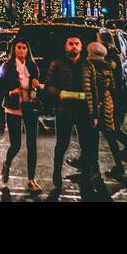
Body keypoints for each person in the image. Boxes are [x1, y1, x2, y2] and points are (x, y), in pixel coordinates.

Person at [42, 34, 97, 197]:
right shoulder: (57, 64)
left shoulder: (88, 65)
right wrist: (60, 94)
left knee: (87, 145)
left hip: (84, 111)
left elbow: (93, 91)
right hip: (65, 111)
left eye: (77, 44)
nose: (74, 47)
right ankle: (56, 174)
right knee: (62, 144)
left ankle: (86, 177)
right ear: (65, 47)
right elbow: (48, 86)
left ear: (81, 47)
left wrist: (95, 114)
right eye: (71, 44)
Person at [86, 40, 127, 189]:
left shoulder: (91, 67)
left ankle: (95, 166)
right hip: (108, 103)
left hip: (98, 104)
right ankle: (117, 164)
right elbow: (113, 86)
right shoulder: (108, 67)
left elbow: (95, 87)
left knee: (95, 136)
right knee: (110, 135)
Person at [0, 39, 42, 194]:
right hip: (13, 108)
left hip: (30, 108)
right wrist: (11, 92)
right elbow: (0, 90)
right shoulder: (7, 67)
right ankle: (7, 163)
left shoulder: (33, 67)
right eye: (19, 48)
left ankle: (31, 179)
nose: (21, 51)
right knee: (16, 144)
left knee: (32, 145)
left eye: (24, 48)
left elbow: (38, 87)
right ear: (14, 50)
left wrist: (37, 85)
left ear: (28, 51)